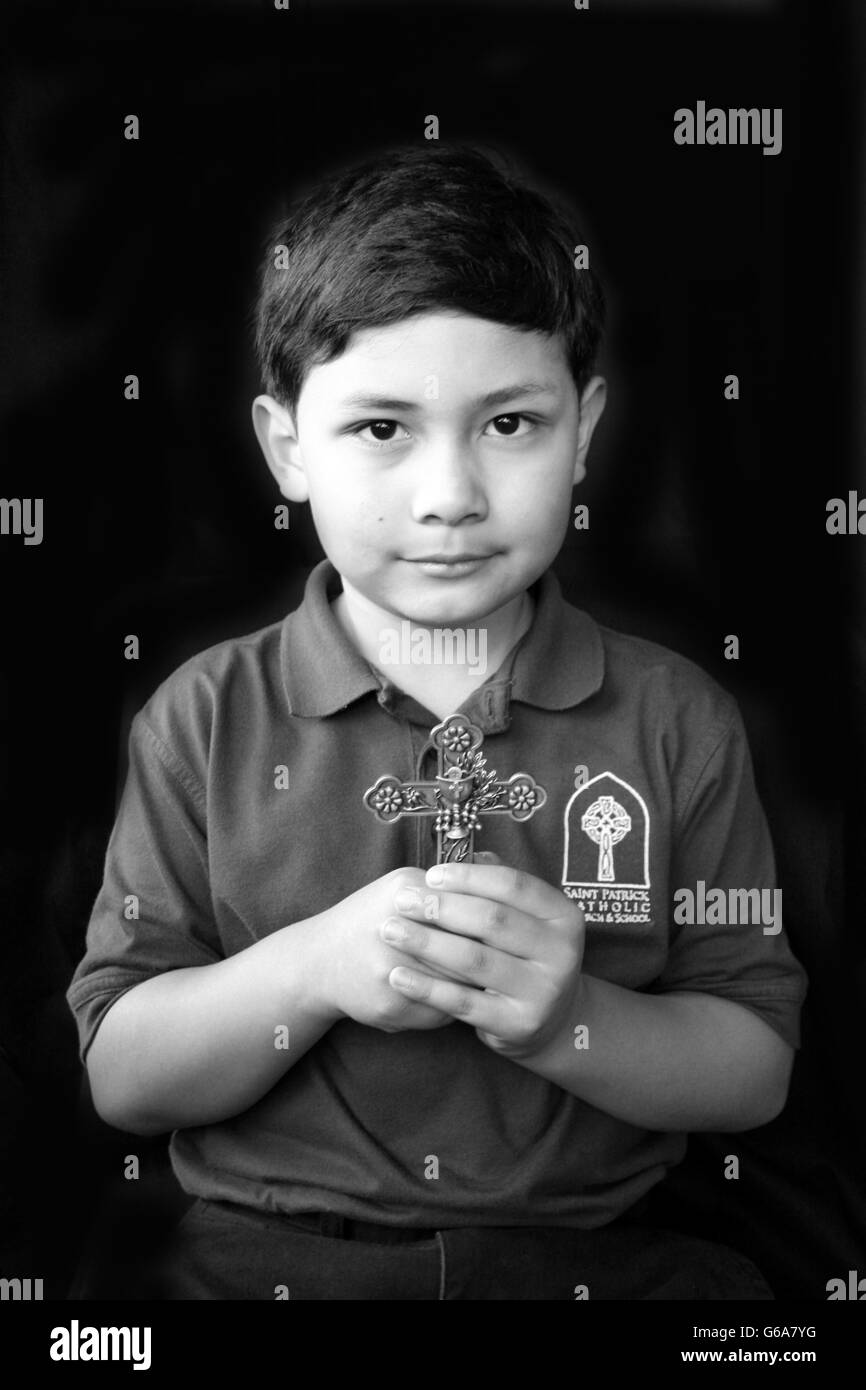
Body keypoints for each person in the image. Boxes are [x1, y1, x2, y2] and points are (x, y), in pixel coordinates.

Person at [66, 143, 807, 1300]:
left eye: (509, 424)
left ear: (584, 430)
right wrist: (312, 969)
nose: (449, 493)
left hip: (596, 1262)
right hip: (271, 1258)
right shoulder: (203, 718)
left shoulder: (675, 719)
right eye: (380, 429)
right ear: (284, 448)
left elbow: (751, 1068)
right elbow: (123, 1075)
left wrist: (568, 1021)